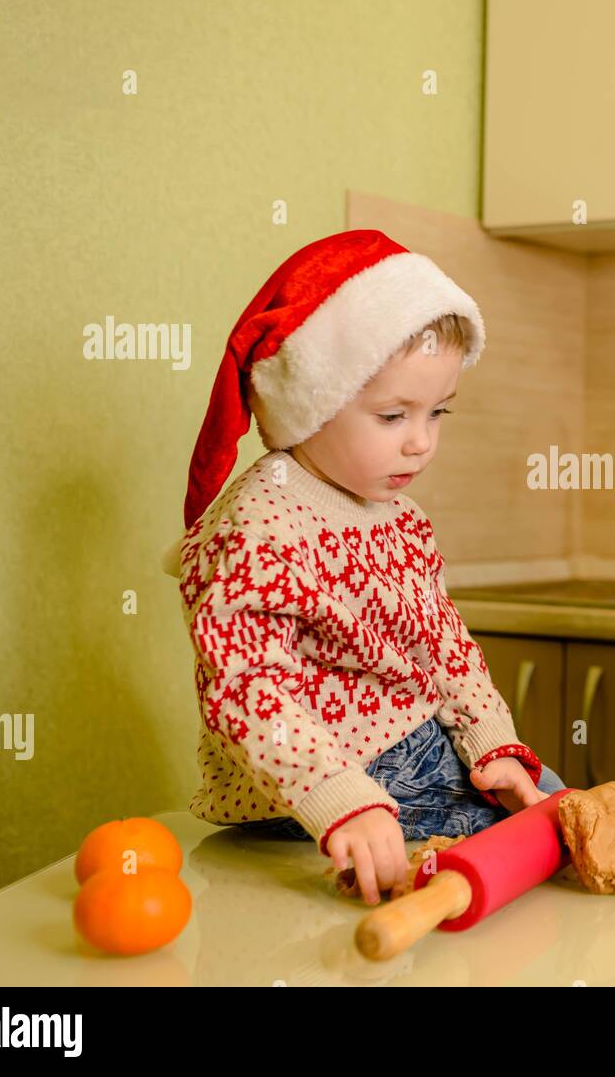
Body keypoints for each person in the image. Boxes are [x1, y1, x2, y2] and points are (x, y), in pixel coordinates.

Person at [163, 230, 566, 904]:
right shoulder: (260, 524)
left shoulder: (402, 520)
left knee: (554, 819)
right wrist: (339, 798)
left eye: (437, 412)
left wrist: (493, 743)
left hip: (425, 748)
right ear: (310, 404)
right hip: (327, 780)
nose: (421, 441)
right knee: (530, 862)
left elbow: (447, 650)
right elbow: (244, 684)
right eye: (391, 415)